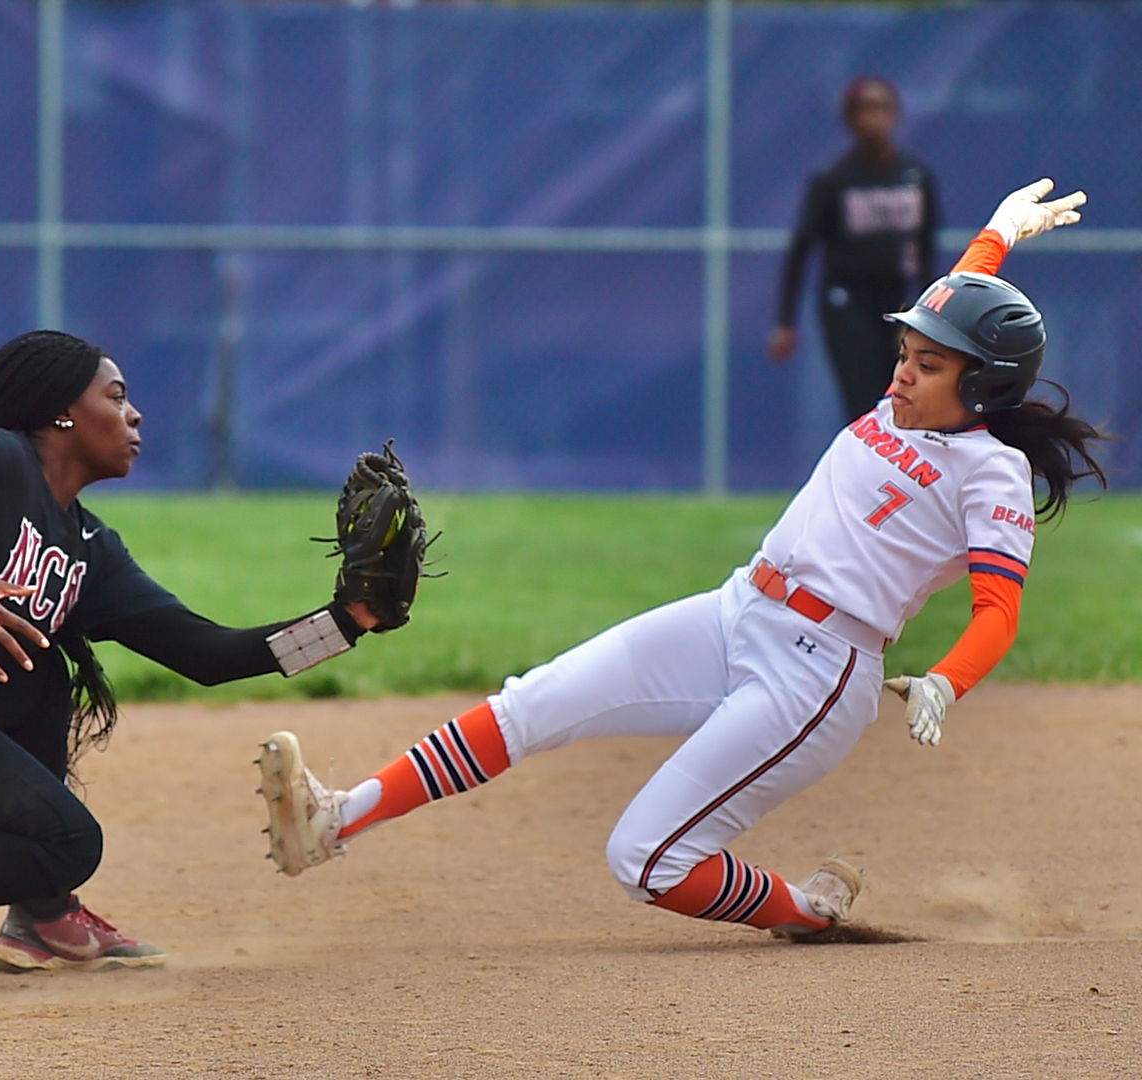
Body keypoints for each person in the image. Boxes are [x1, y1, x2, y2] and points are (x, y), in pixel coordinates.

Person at [259, 181, 1100, 942]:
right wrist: (998, 234)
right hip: (737, 609)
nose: (905, 371)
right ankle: (332, 822)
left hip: (816, 676)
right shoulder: (902, 405)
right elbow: (955, 307)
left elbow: (999, 611)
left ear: (982, 385)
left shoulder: (991, 473)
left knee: (645, 860)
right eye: (906, 355)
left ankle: (805, 909)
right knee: (531, 705)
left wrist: (948, 682)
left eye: (929, 363)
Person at [0, 330, 400, 1000]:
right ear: (60, 414)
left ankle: (42, 913)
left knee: (44, 672)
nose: (135, 413)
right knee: (70, 841)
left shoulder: (88, 548)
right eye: (115, 396)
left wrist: (348, 622)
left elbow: (208, 655)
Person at [771, 75, 941, 423]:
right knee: (863, 404)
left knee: (901, 397)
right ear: (849, 119)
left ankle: (897, 477)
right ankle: (862, 477)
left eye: (882, 108)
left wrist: (930, 311)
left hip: (897, 300)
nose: (873, 118)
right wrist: (786, 321)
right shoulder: (834, 179)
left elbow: (924, 248)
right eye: (864, 109)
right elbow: (801, 248)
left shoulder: (914, 175)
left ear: (895, 114)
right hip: (847, 301)